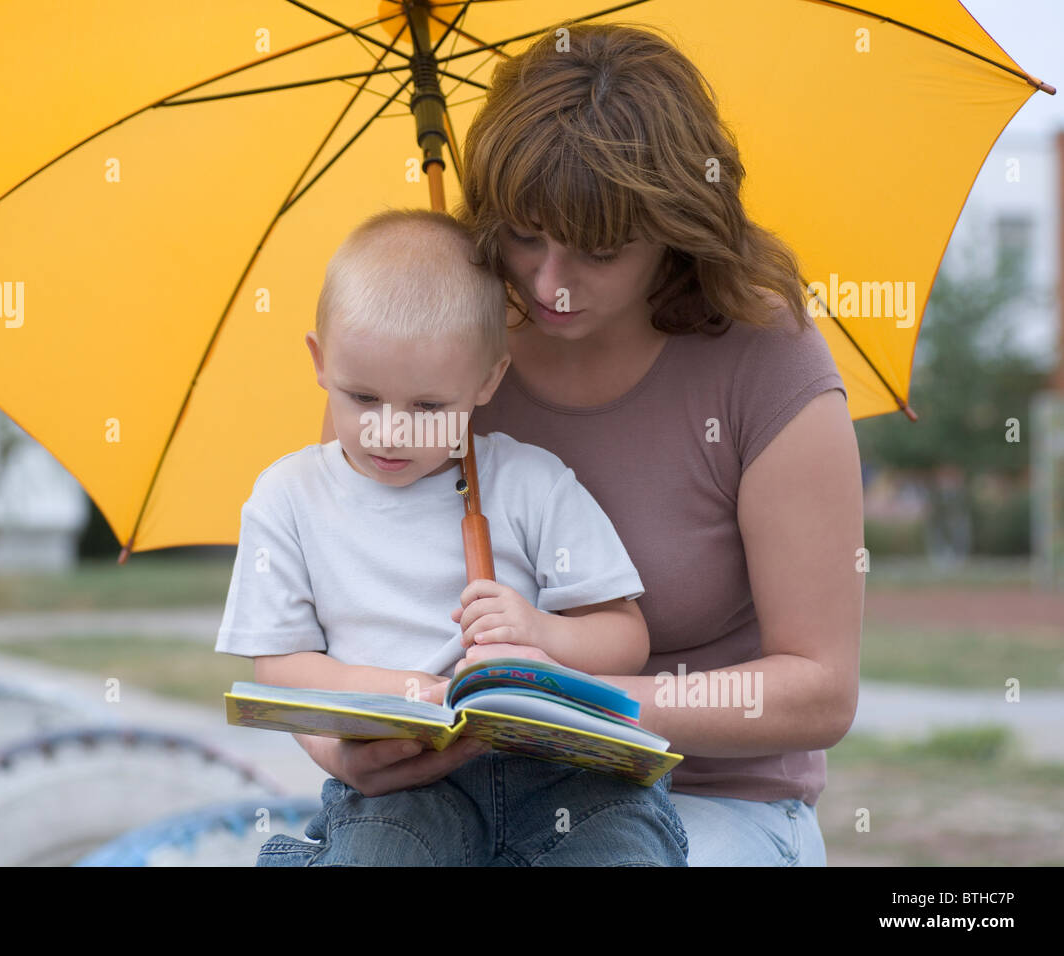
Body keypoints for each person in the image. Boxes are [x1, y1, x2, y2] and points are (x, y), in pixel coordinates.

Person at [305, 21, 864, 866]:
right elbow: (319, 622)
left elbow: (820, 690)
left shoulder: (765, 358)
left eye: (600, 250)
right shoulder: (427, 345)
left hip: (715, 798)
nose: (550, 285)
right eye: (527, 235)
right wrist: (339, 747)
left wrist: (570, 700)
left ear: (674, 227)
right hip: (455, 796)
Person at [215, 207, 688, 866]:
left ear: (487, 380)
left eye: (429, 406)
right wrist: (409, 692)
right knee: (377, 855)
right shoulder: (289, 497)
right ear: (320, 363)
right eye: (363, 398)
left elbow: (625, 634)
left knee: (623, 847)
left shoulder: (530, 482)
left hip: (559, 777)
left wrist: (543, 633)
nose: (391, 431)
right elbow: (280, 668)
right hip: (403, 784)